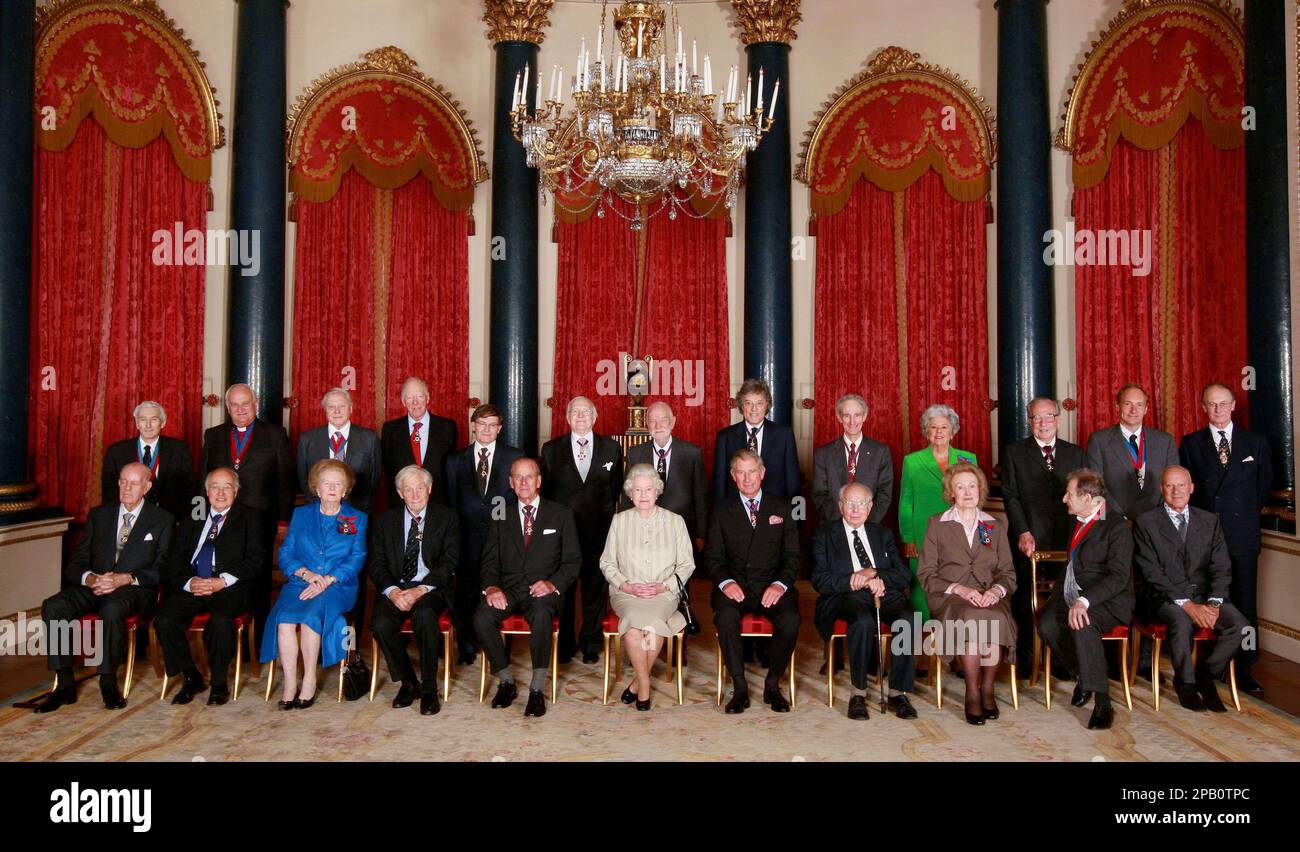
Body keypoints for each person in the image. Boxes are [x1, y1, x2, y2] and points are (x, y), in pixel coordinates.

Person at [35, 463, 172, 713]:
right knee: (53, 606)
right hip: (95, 584)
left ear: (147, 487)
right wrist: (90, 579)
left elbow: (165, 569)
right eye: (123, 481)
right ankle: (64, 686)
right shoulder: (100, 515)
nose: (126, 487)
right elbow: (76, 562)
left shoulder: (162, 519)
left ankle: (108, 681)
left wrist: (125, 578)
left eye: (133, 483)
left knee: (111, 608)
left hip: (133, 589)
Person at [1179, 382, 1272, 695]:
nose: (1217, 410)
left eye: (1223, 403)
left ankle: (1244, 668)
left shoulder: (1255, 443)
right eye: (1211, 404)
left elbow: (1262, 489)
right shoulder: (1191, 443)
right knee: (1209, 601)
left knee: (1245, 603)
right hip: (1205, 539)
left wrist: (1240, 518)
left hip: (1242, 537)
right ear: (1203, 407)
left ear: (1233, 405)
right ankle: (1210, 664)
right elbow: (1187, 495)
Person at [1132, 466, 1248, 713]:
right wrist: (1186, 604)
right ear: (1162, 489)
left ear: (1191, 488)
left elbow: (1221, 566)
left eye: (1181, 485)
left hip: (1206, 596)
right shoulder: (1146, 522)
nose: (1176, 492)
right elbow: (1152, 573)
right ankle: (1185, 682)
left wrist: (1215, 604)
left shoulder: (1209, 520)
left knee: (1240, 625)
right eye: (1170, 486)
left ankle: (1206, 676)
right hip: (1162, 597)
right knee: (1181, 619)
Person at [475, 458, 581, 718]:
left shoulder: (561, 513)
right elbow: (489, 561)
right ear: (510, 482)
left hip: (542, 591)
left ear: (539, 480)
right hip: (508, 589)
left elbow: (573, 561)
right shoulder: (500, 515)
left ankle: (536, 689)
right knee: (481, 618)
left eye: (529, 476)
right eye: (517, 477)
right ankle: (506, 681)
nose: (524, 482)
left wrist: (552, 584)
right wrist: (491, 588)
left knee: (543, 614)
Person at [260, 459, 367, 710]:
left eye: (337, 484)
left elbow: (357, 557)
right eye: (326, 483)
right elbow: (286, 552)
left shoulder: (356, 518)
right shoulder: (301, 514)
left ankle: (309, 680)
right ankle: (289, 683)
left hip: (337, 586)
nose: (332, 488)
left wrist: (328, 579)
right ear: (316, 488)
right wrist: (306, 574)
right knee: (285, 619)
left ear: (346, 490)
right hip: (300, 582)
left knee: (310, 617)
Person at [916, 462, 1015, 726]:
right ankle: (972, 692)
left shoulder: (992, 526)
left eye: (972, 486)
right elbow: (926, 574)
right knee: (970, 616)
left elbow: (1008, 573)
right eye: (960, 487)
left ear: (980, 489)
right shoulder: (937, 524)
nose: (968, 491)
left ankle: (988, 689)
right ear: (951, 492)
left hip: (988, 596)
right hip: (950, 596)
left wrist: (995, 591)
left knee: (994, 617)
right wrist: (959, 588)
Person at [154, 467, 263, 706]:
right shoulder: (193, 516)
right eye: (215, 487)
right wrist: (189, 582)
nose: (220, 493)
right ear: (206, 491)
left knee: (221, 622)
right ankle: (191, 676)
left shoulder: (249, 517)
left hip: (228, 586)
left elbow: (256, 560)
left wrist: (222, 581)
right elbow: (174, 559)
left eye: (226, 487)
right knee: (165, 621)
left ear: (236, 491)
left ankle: (219, 683)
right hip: (194, 583)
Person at [1036, 468, 1134, 730]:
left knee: (1082, 622)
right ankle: (1083, 674)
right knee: (1046, 625)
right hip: (1071, 592)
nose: (1064, 499)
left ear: (1088, 497)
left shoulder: (1117, 526)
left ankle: (1103, 702)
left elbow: (1119, 577)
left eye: (1069, 494)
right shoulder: (1077, 518)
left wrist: (1085, 601)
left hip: (1106, 599)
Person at [705, 448, 801, 713]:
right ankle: (739, 687)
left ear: (762, 473)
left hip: (772, 585)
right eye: (741, 473)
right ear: (733, 476)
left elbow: (793, 556)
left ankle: (773, 684)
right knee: (724, 616)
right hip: (736, 585)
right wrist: (725, 582)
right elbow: (713, 557)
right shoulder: (722, 510)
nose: (748, 479)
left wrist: (780, 584)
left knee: (791, 619)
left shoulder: (782, 507)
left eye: (752, 472)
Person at [811, 482, 918, 720]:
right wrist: (852, 579)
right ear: (841, 506)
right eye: (850, 503)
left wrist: (874, 574)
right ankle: (858, 692)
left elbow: (903, 575)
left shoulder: (883, 533)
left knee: (908, 619)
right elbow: (819, 579)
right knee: (862, 621)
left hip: (882, 592)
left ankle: (897, 692)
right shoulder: (824, 534)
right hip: (845, 596)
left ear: (870, 507)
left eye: (861, 504)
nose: (855, 509)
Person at [1000, 396, 1085, 673]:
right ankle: (1026, 662)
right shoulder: (1014, 452)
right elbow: (1011, 497)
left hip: (1065, 539)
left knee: (1063, 597)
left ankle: (1061, 661)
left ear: (1058, 420)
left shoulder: (1076, 453)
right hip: (1029, 539)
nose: (1043, 423)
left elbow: (1085, 498)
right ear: (1030, 422)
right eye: (1037, 418)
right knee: (1025, 599)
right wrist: (1023, 531)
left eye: (1049, 416)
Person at [600, 464, 696, 711]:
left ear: (657, 491)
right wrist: (627, 586)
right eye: (637, 490)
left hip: (663, 595)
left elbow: (687, 564)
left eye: (648, 489)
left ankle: (636, 685)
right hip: (626, 594)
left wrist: (664, 587)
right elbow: (607, 562)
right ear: (630, 494)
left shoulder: (675, 522)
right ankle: (644, 685)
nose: (643, 495)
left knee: (651, 627)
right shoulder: (619, 521)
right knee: (633, 624)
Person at [539, 395, 623, 664]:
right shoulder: (551, 450)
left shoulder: (611, 449)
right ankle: (564, 645)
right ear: (566, 417)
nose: (581, 416)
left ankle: (591, 643)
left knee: (594, 589)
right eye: (575, 412)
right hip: (563, 533)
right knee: (563, 589)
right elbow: (548, 495)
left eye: (586, 412)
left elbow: (616, 488)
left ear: (595, 417)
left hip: (598, 531)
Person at [201, 383, 294, 624]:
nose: (240, 409)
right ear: (227, 407)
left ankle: (260, 634)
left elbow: (285, 481)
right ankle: (228, 635)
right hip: (223, 519)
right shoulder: (213, 435)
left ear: (255, 403)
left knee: (259, 578)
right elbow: (204, 478)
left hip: (261, 519)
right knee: (224, 573)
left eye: (245, 403)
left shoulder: (275, 434)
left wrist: (283, 521)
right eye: (234, 404)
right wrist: (201, 517)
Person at [369, 465, 458, 716]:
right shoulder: (385, 521)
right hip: (396, 586)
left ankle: (429, 688)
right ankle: (409, 682)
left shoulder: (447, 517)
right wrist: (393, 591)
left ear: (429, 489)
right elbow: (376, 563)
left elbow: (450, 561)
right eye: (408, 489)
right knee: (381, 624)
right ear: (400, 493)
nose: (415, 494)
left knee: (425, 615)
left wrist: (421, 589)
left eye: (420, 488)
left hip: (431, 586)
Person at [446, 403, 522, 664]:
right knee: (466, 595)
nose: (487, 429)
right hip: (466, 540)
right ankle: (466, 647)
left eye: (492, 425)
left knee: (501, 594)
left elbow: (517, 502)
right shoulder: (455, 460)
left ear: (499, 429)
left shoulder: (514, 457)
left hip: (501, 541)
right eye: (482, 424)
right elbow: (451, 503)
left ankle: (499, 651)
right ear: (474, 426)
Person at [898, 404, 978, 621]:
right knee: (922, 586)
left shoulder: (967, 459)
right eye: (934, 427)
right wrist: (908, 537)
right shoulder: (912, 461)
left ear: (953, 431)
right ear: (927, 431)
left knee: (957, 580)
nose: (939, 432)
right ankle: (919, 638)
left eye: (944, 427)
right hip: (921, 531)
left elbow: (975, 498)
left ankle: (953, 636)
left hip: (958, 532)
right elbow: (906, 501)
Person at [1085, 383, 1179, 521]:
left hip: (1157, 521)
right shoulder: (1099, 441)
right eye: (1128, 404)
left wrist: (1159, 515)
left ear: (1146, 409)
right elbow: (1095, 486)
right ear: (1118, 407)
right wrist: (1117, 516)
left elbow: (1173, 483)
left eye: (1139, 405)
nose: (1133, 410)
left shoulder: (1166, 441)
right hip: (1116, 522)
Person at [622, 401, 708, 548]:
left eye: (663, 420)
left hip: (681, 532)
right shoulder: (634, 454)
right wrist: (625, 530)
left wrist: (701, 534)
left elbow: (700, 498)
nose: (658, 425)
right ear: (646, 424)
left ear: (673, 422)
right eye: (653, 421)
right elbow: (627, 497)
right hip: (643, 533)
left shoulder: (692, 453)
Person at [101, 400, 197, 525]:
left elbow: (188, 489)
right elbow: (109, 491)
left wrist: (179, 520)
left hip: (166, 520)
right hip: (127, 519)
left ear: (163, 423)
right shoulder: (117, 451)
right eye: (142, 419)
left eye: (154, 419)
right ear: (137, 423)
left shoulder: (179, 449)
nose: (148, 425)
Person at [712, 378, 801, 502]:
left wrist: (795, 519)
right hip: (735, 511)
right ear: (741, 406)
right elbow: (719, 485)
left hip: (775, 510)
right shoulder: (725, 437)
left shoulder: (784, 435)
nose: (754, 409)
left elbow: (793, 483)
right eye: (748, 403)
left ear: (767, 405)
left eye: (759, 403)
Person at [812, 394, 893, 524]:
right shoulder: (823, 454)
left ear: (864, 416)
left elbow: (884, 494)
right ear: (839, 417)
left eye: (857, 415)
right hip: (834, 526)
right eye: (846, 416)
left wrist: (865, 522)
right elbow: (819, 494)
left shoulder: (880, 451)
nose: (852, 421)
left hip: (870, 525)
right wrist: (842, 523)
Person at [296, 388, 380, 513]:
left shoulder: (369, 438)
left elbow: (374, 478)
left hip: (357, 511)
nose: (337, 411)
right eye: (331, 407)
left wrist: (360, 505)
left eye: (342, 406)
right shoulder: (307, 439)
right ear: (325, 410)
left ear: (350, 408)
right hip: (318, 511)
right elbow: (304, 478)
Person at [381, 376, 458, 507]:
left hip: (438, 502)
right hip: (402, 504)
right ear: (403, 401)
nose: (415, 402)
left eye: (420, 396)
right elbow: (388, 470)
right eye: (410, 398)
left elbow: (452, 468)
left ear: (427, 398)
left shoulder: (447, 427)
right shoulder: (390, 430)